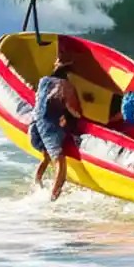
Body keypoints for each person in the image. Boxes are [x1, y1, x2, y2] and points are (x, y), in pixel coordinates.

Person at [31, 58, 81, 200]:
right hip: (48, 125)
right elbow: (74, 110)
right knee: (60, 161)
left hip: (35, 124)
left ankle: (37, 181)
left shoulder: (43, 81)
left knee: (46, 156)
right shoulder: (66, 85)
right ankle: (53, 197)